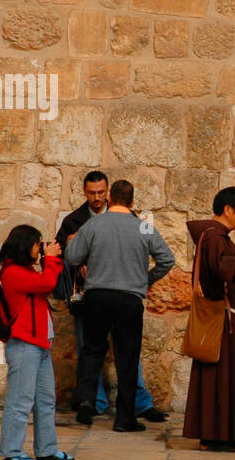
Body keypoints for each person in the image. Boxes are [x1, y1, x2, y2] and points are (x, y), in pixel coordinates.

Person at [55, 171, 166, 424]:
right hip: (127, 298)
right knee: (128, 355)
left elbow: (70, 256)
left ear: (110, 195)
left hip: (96, 297)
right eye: (92, 193)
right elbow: (167, 259)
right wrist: (144, 280)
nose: (96, 197)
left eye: (101, 193)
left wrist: (78, 249)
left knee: (91, 351)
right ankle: (124, 418)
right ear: (131, 201)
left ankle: (86, 404)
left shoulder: (92, 224)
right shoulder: (141, 224)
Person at [181, 186, 235, 452]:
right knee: (222, 377)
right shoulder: (215, 238)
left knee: (216, 377)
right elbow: (221, 266)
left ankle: (214, 433)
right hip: (225, 323)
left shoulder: (214, 237)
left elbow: (222, 272)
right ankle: (220, 435)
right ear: (228, 210)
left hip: (224, 319)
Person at [0, 225, 74, 460]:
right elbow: (46, 283)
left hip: (40, 344)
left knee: (46, 399)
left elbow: (48, 281)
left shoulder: (27, 270)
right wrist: (49, 259)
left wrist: (50, 259)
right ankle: (12, 449)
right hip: (24, 345)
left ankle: (47, 448)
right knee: (20, 400)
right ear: (24, 245)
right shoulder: (12, 273)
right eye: (37, 244)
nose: (40, 248)